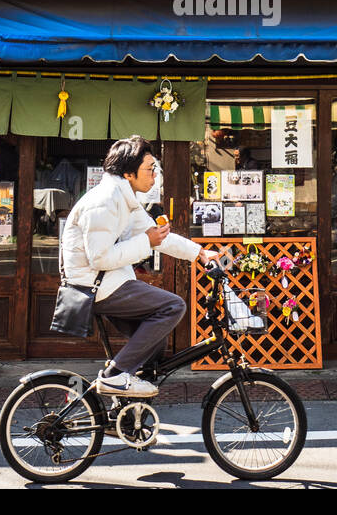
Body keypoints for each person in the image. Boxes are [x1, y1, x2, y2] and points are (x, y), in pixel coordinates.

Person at [59, 135, 220, 398]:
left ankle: (125, 413)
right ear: (128, 173)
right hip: (93, 285)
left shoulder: (125, 199)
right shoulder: (105, 200)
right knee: (173, 306)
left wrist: (199, 253)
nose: (154, 176)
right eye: (150, 169)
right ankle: (115, 376)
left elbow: (158, 237)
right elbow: (99, 258)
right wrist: (146, 240)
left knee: (154, 347)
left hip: (108, 281)